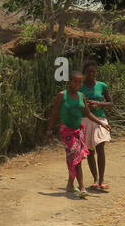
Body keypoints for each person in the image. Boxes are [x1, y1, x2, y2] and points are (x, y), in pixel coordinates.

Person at [47, 71, 109, 200]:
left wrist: (101, 124)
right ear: (69, 82)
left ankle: (70, 184)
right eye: (75, 81)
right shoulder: (62, 95)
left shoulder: (81, 96)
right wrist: (49, 130)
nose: (78, 84)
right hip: (67, 130)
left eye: (80, 82)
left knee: (74, 157)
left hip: (78, 130)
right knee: (77, 157)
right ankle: (82, 188)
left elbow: (87, 113)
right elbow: (54, 113)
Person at [81, 61, 112, 192]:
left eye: (93, 72)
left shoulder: (102, 86)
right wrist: (86, 106)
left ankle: (102, 180)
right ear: (84, 74)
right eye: (89, 72)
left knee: (100, 147)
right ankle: (95, 179)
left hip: (100, 119)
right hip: (85, 119)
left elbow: (111, 103)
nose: (91, 74)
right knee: (90, 150)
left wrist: (99, 103)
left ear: (96, 72)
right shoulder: (80, 87)